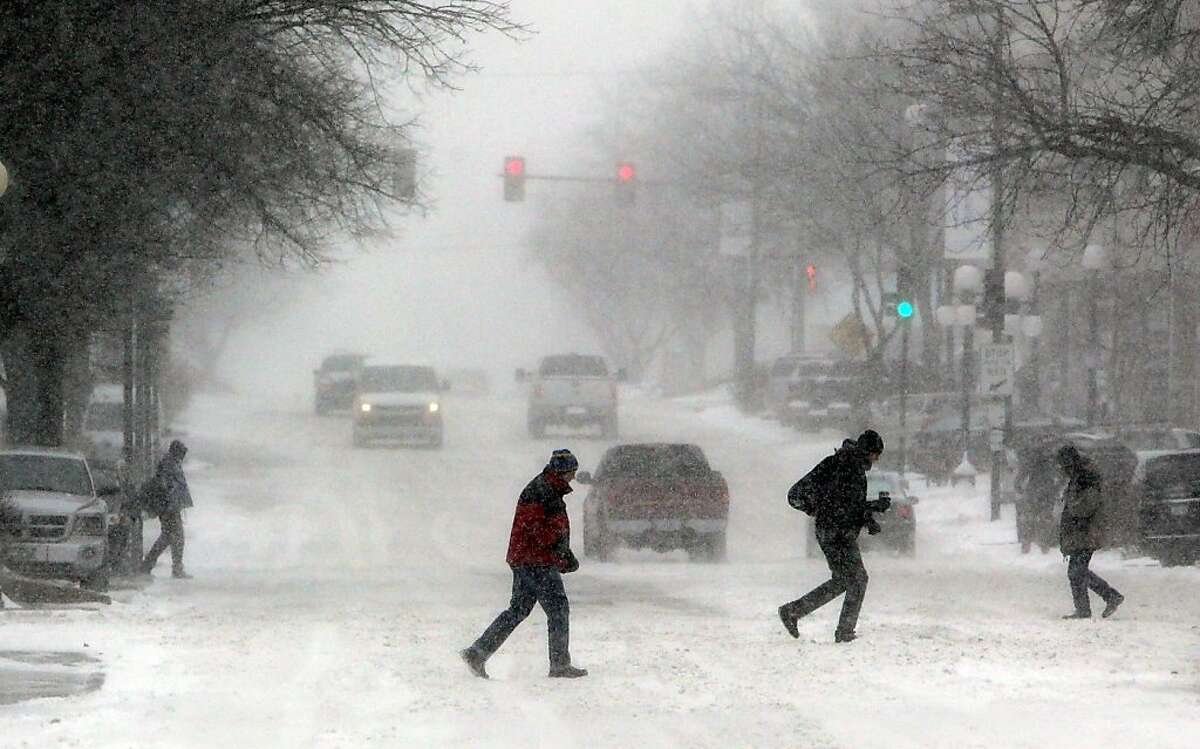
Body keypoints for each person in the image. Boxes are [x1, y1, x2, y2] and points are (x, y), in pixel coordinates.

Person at [461, 449, 587, 679]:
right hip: (535, 561)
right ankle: (559, 664)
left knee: (518, 610)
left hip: (527, 558)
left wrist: (561, 552)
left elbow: (545, 529)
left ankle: (477, 653)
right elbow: (538, 529)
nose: (572, 479)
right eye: (571, 473)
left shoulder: (546, 489)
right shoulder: (543, 491)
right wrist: (561, 551)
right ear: (562, 472)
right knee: (558, 609)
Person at [779, 429, 890, 643]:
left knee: (843, 580)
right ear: (868, 451)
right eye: (876, 454)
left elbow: (848, 506)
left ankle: (793, 611)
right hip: (837, 533)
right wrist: (818, 509)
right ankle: (844, 632)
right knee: (857, 580)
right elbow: (840, 506)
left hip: (832, 531)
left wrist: (868, 517)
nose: (876, 459)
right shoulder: (848, 467)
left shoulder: (842, 464)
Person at [1056, 444, 1124, 619]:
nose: (1063, 471)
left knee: (1076, 571)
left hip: (1086, 531)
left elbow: (1087, 506)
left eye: (1064, 466)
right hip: (1081, 532)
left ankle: (1103, 600)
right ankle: (1101, 600)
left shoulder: (1085, 478)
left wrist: (1072, 509)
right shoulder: (1080, 476)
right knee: (1078, 571)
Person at [140, 439, 194, 579]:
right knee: (175, 537)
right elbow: (165, 486)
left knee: (168, 537)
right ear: (177, 452)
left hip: (171, 506)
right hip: (169, 507)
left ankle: (149, 564)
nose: (183, 457)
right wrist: (170, 501)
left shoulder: (170, 463)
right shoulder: (169, 464)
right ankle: (174, 568)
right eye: (182, 453)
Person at [1014, 440, 1061, 554]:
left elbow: (1023, 474)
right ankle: (1044, 544)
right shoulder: (1052, 460)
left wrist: (1018, 486)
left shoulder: (1032, 459)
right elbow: (1061, 475)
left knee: (1030, 517)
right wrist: (1057, 488)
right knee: (1045, 518)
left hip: (1033, 491)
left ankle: (1026, 543)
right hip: (1048, 492)